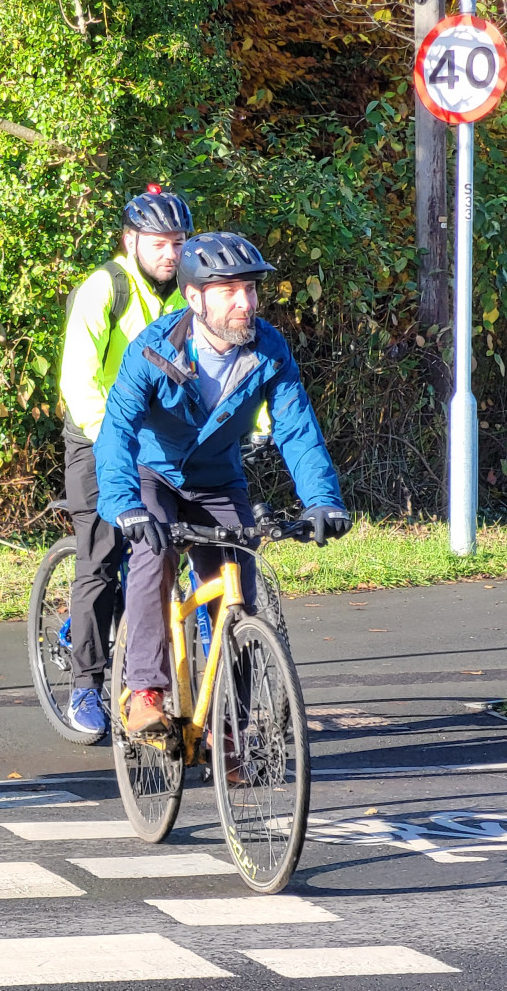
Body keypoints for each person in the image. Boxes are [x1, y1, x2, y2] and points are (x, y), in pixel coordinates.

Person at [94, 232, 351, 735]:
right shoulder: (152, 350)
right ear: (194, 298)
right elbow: (116, 434)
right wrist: (126, 504)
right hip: (155, 475)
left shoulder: (268, 348)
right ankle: (145, 689)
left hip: (217, 480)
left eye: (250, 290)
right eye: (229, 291)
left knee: (236, 593)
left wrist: (322, 500)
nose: (245, 303)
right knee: (154, 556)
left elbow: (296, 427)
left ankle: (226, 727)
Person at [55, 186, 191, 738]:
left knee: (173, 545)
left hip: (160, 441)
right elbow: (77, 379)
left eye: (179, 242)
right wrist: (109, 439)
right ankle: (85, 687)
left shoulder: (189, 292)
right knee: (102, 557)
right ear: (131, 240)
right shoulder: (103, 289)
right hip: (98, 435)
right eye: (159, 242)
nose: (171, 253)